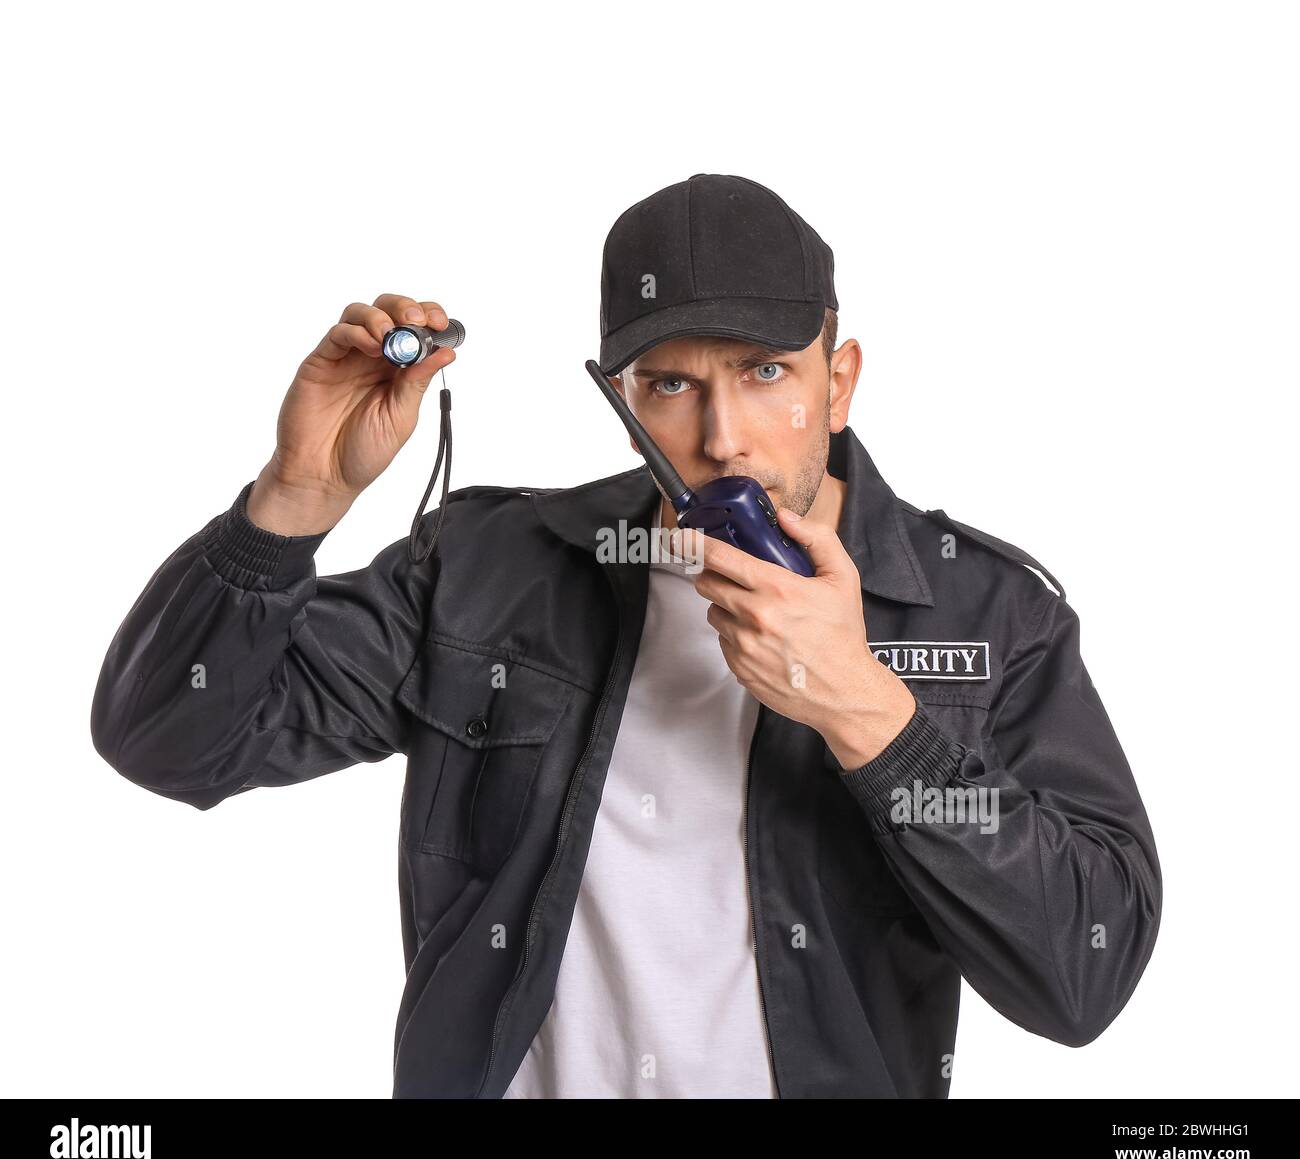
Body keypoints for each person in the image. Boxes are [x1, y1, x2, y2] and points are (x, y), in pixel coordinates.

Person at [91, 173, 1162, 1099]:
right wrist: (294, 499)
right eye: (671, 385)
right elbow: (166, 737)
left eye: (763, 372)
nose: (722, 436)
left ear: (838, 382)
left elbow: (1083, 974)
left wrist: (864, 709)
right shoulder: (486, 572)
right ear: (618, 398)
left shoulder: (984, 614)